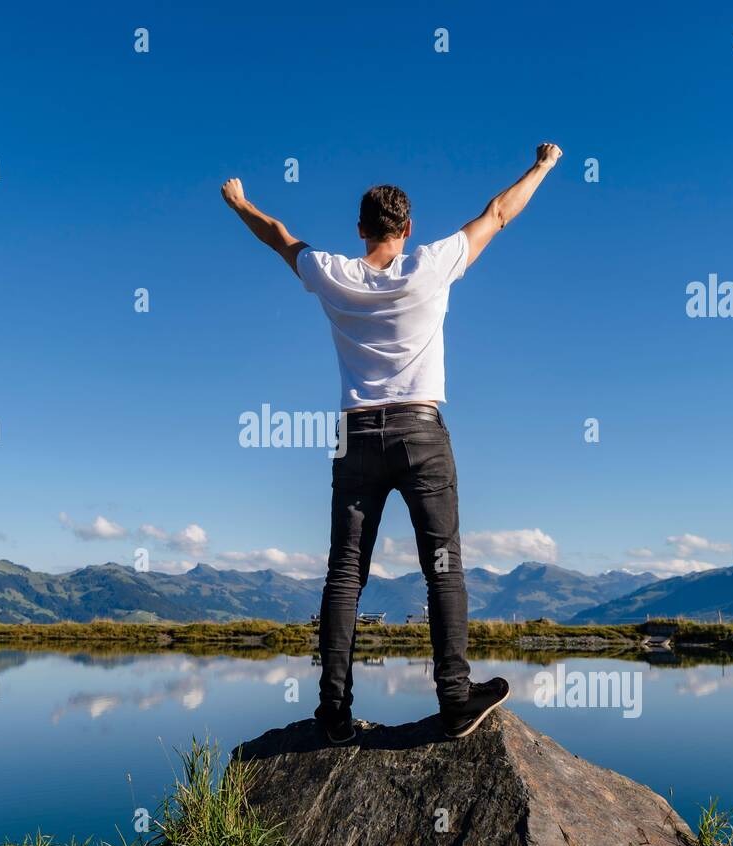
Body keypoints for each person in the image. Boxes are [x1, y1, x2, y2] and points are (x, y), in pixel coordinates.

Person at [222, 142, 562, 742]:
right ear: (407, 227)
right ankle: (455, 699)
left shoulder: (333, 273)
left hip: (356, 436)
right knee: (443, 568)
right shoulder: (432, 263)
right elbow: (499, 213)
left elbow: (277, 234)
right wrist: (541, 167)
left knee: (345, 574)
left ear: (360, 229)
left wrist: (239, 202)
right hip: (421, 433)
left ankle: (334, 712)